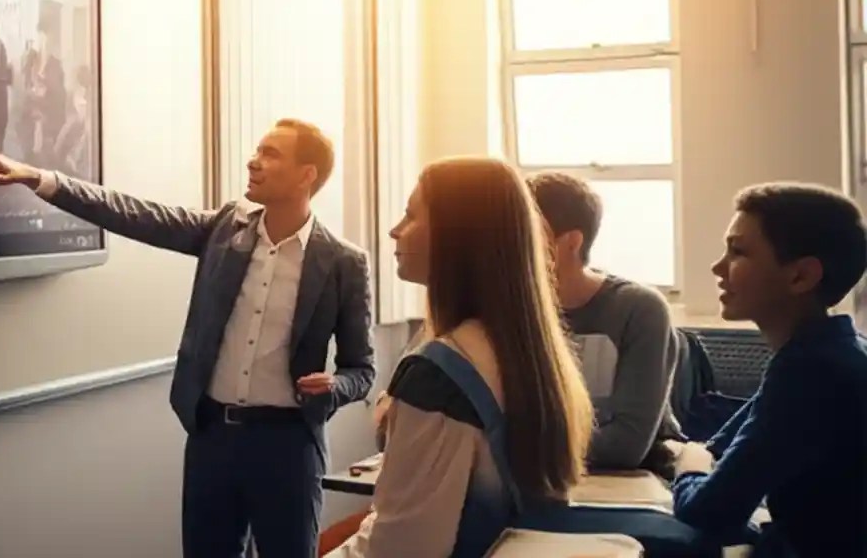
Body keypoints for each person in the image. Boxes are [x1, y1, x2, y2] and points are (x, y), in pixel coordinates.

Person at [0, 118, 375, 558]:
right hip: (212, 439)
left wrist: (336, 387)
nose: (253, 161)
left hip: (288, 447)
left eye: (271, 154)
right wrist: (39, 178)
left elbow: (362, 369)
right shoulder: (223, 230)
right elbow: (134, 214)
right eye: (257, 149)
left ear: (306, 175)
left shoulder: (342, 263)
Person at [329, 157, 594, 558]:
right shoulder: (529, 352)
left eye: (411, 215)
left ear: (457, 237)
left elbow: (401, 550)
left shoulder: (439, 374)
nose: (394, 230)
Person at [670, 183, 867, 558]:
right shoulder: (828, 350)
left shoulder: (813, 373)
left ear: (801, 277)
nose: (717, 267)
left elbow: (710, 509)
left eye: (738, 251)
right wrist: (697, 455)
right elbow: (722, 446)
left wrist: (689, 464)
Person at [527, 172, 682, 475]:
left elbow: (627, 445)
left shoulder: (639, 309)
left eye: (525, 235)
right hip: (548, 476)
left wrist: (515, 444)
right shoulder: (511, 310)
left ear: (570, 243)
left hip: (636, 479)